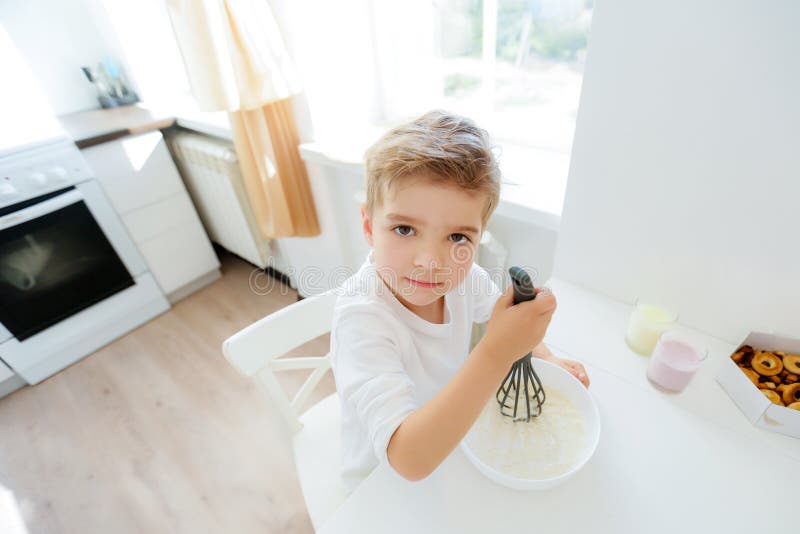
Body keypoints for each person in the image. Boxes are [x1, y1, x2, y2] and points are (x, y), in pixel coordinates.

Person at [329, 110, 590, 493]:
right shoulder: (362, 320)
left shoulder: (463, 279)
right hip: (382, 479)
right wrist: (495, 353)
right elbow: (409, 459)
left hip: (450, 433)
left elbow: (508, 319)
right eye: (404, 229)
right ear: (370, 226)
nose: (430, 261)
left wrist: (546, 357)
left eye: (457, 238)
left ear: (479, 236)